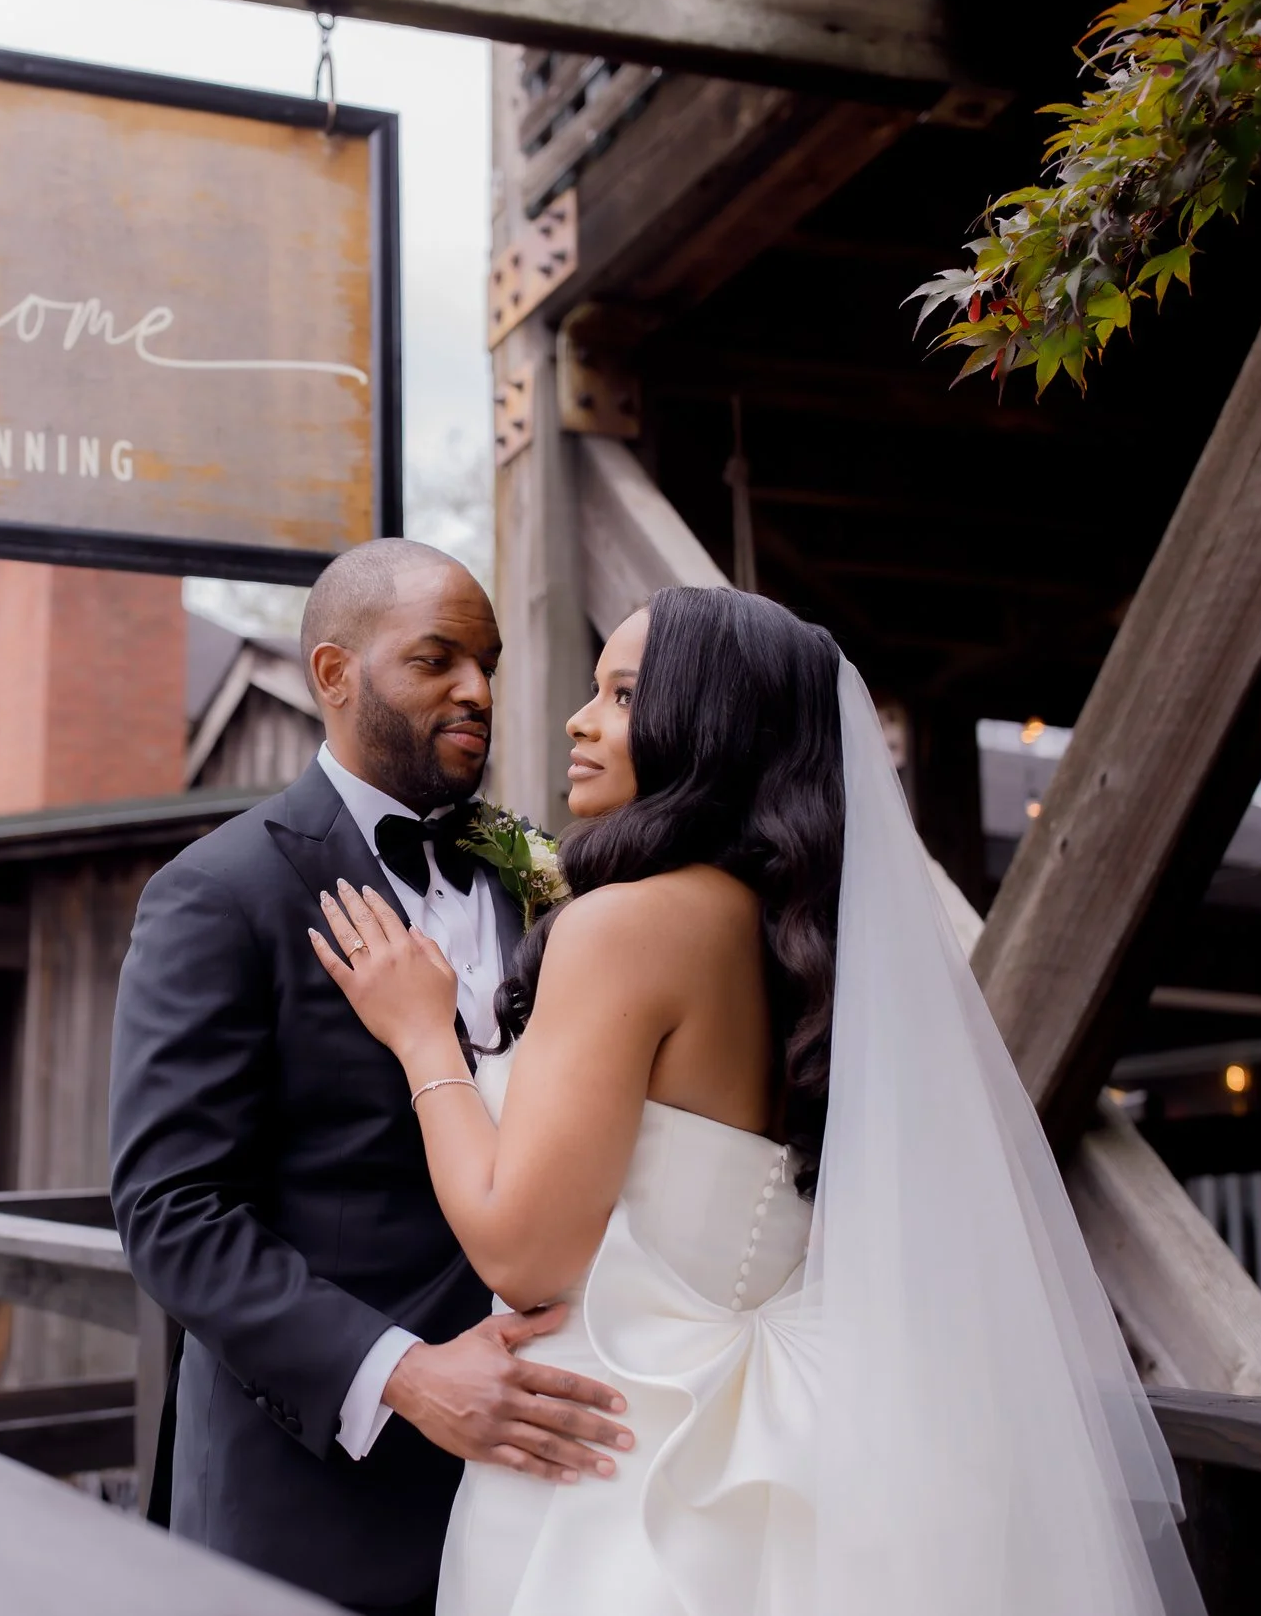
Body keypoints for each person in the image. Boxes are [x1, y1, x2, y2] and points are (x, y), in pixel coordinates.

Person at [310, 585, 1203, 1616]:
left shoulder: (624, 927)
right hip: (805, 1434)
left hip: (614, 1456)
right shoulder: (813, 941)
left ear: (711, 725)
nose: (578, 718)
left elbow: (525, 1254)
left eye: (624, 693)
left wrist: (424, 1036)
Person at [110, 539, 633, 1616]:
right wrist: (404, 1373)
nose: (475, 690)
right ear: (335, 674)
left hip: (539, 1480)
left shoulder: (534, 876)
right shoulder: (219, 891)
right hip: (316, 1496)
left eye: (485, 661)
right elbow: (172, 1210)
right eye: (435, 659)